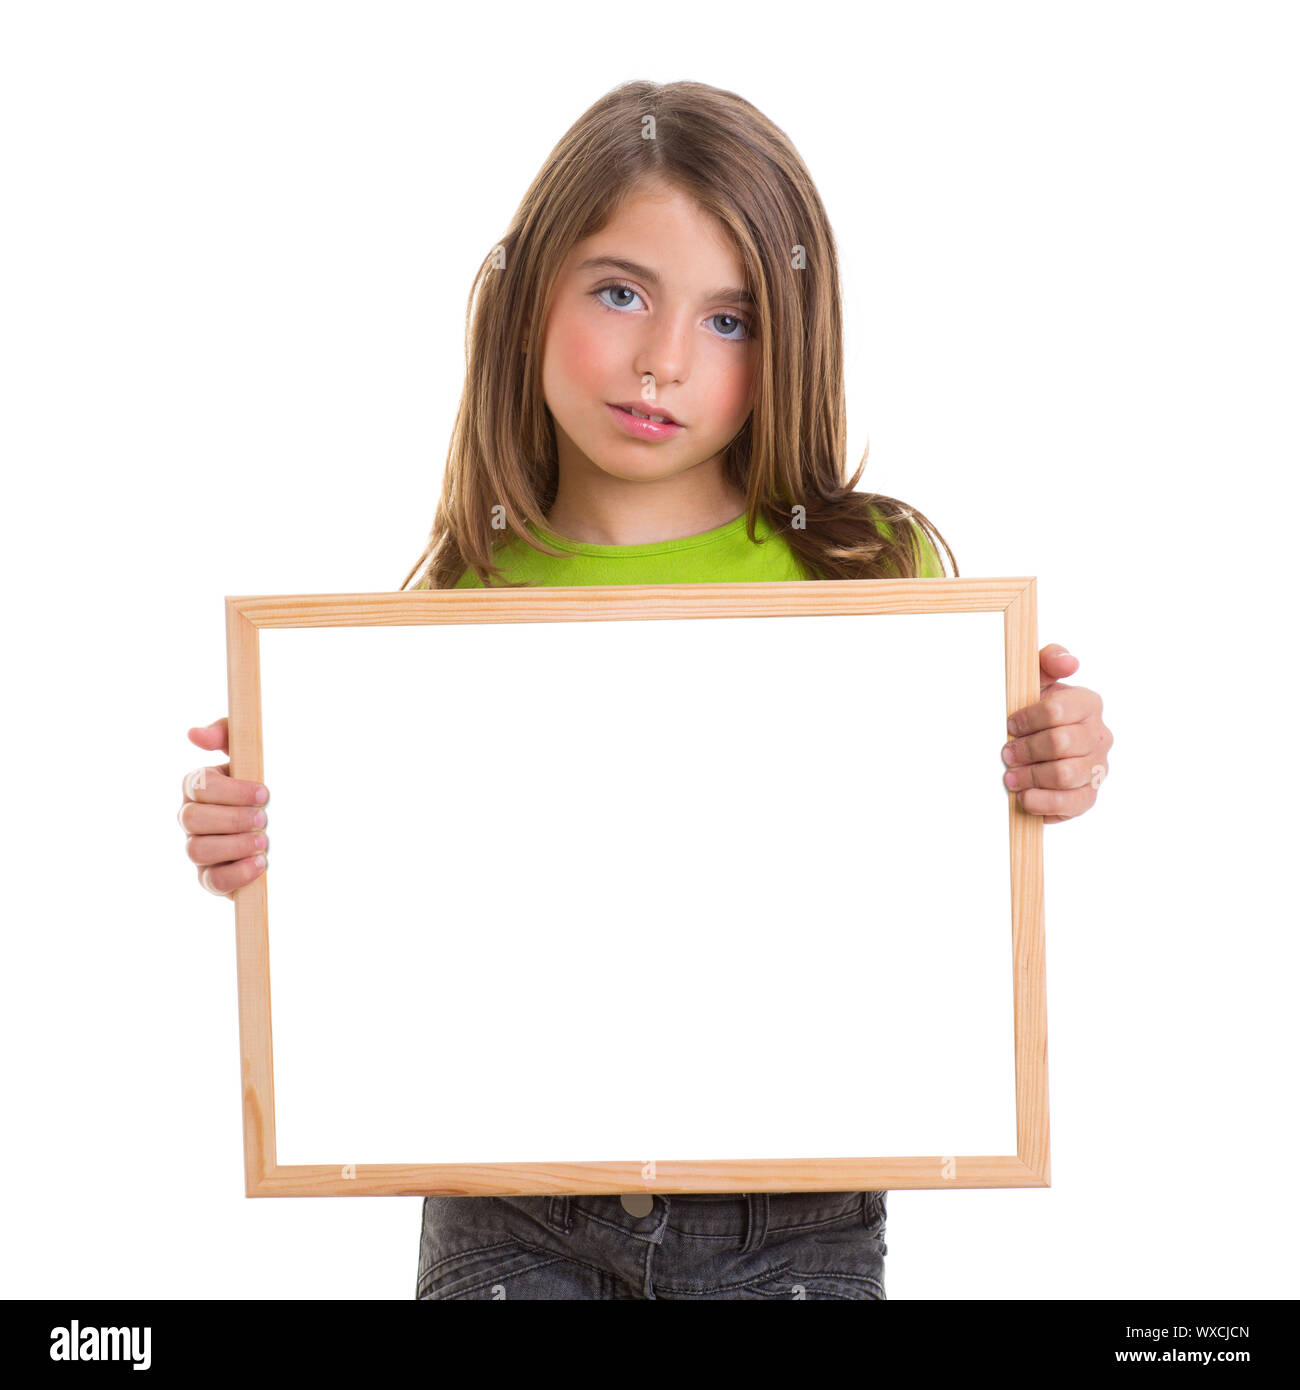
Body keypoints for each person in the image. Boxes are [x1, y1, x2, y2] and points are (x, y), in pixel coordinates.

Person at [178, 79, 1114, 1300]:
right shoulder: (455, 603)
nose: (662, 361)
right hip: (509, 1210)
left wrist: (1049, 761)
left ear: (790, 340)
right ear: (526, 301)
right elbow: (412, 918)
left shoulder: (874, 572)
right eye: (619, 292)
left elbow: (929, 860)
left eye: (729, 320)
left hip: (796, 1212)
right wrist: (255, 838)